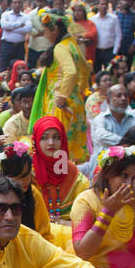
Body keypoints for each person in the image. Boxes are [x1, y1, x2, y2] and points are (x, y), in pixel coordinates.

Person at [29, 9, 92, 165]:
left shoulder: (61, 48)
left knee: (57, 147)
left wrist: (63, 96)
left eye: (46, 30)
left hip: (60, 105)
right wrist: (79, 91)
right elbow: (85, 69)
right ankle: (67, 174)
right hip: (74, 102)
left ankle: (59, 176)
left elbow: (71, 72)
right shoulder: (71, 44)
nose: (44, 34)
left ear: (55, 29)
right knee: (69, 147)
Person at [30, 114, 90, 222]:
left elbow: (86, 214)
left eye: (56, 137)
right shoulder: (28, 173)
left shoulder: (72, 173)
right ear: (36, 141)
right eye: (44, 138)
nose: (51, 143)